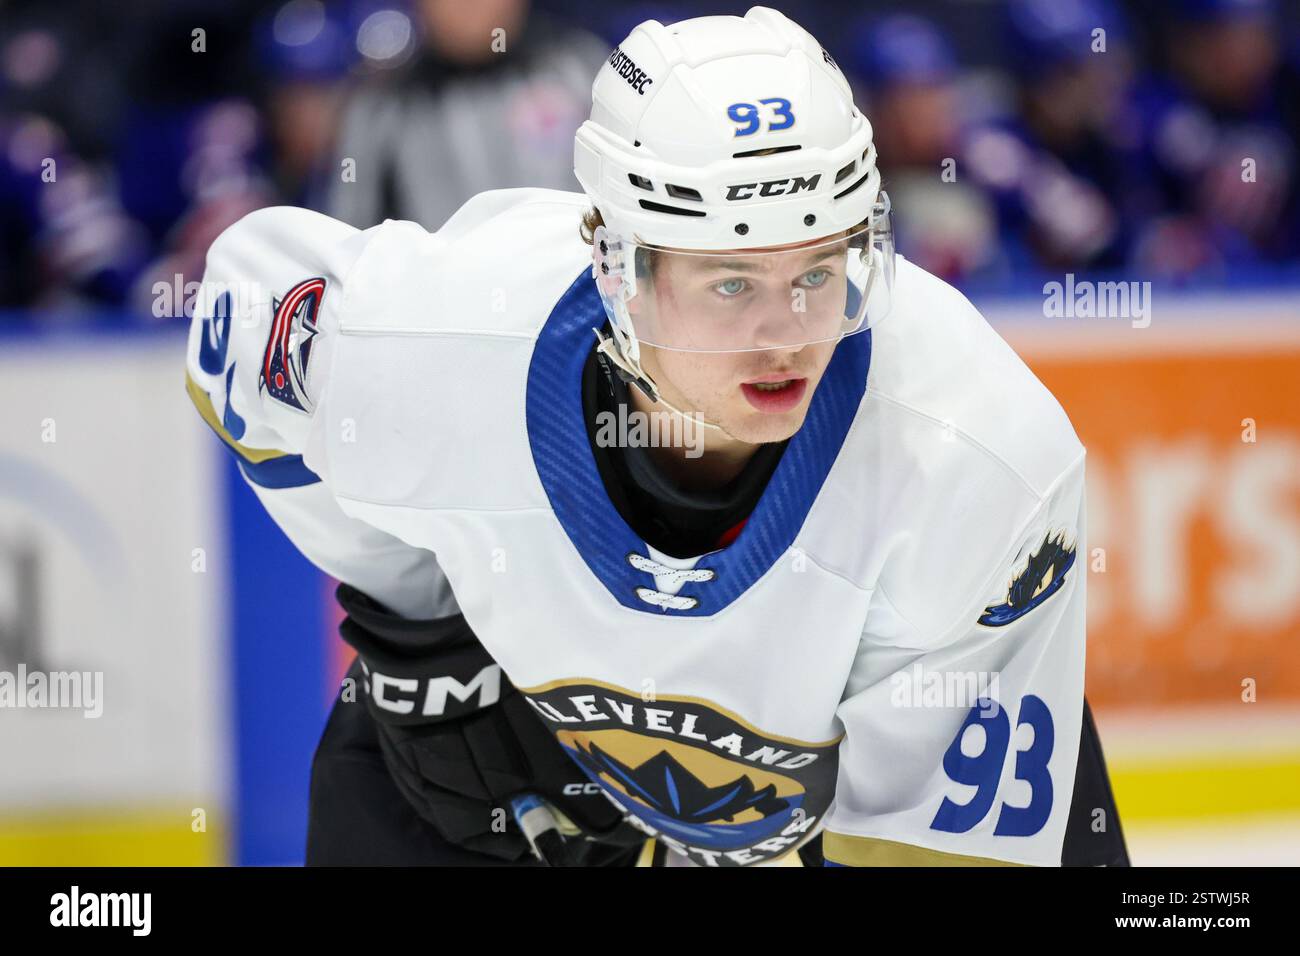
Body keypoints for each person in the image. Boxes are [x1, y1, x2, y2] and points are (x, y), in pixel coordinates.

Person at [184, 6, 1128, 867]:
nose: (787, 333)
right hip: (494, 800)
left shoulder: (973, 452)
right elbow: (239, 320)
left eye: (818, 270)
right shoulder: (448, 336)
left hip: (810, 836)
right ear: (613, 267)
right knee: (388, 772)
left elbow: (920, 855)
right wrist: (420, 630)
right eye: (729, 284)